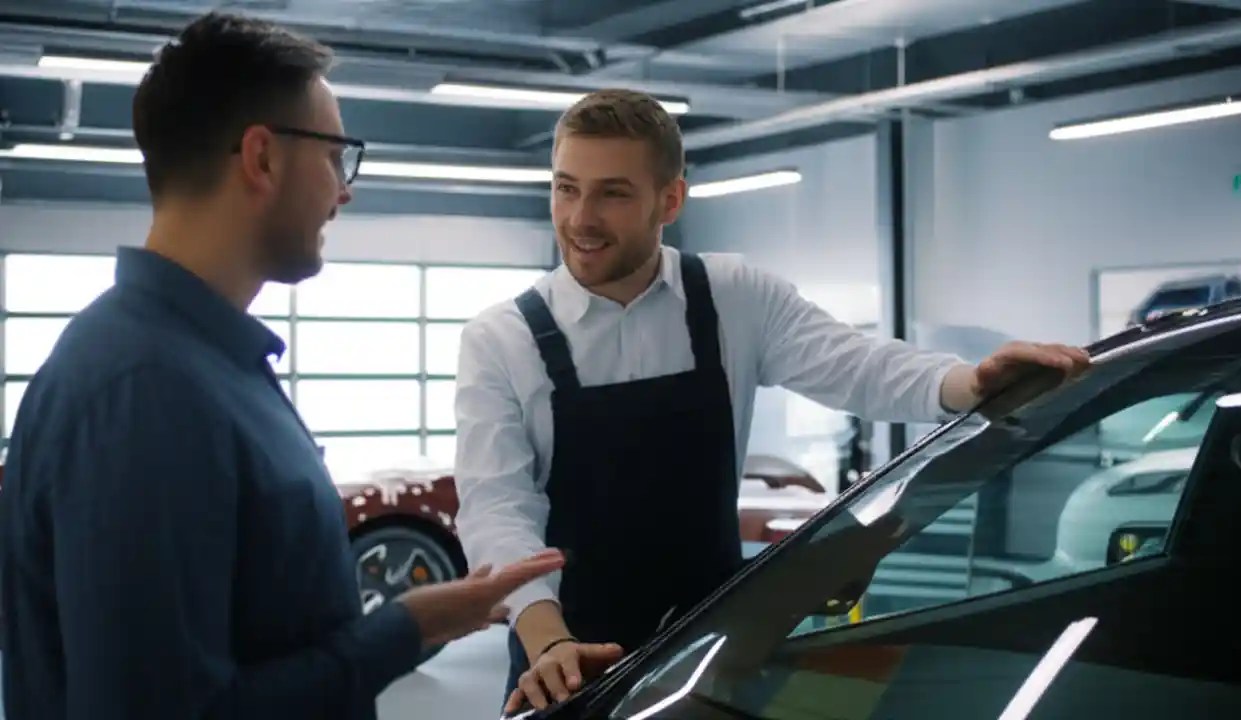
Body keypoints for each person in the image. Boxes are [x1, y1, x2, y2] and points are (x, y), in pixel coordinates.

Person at [449, 88, 1092, 715]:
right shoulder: (501, 340)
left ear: (670, 199)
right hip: (564, 669)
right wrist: (550, 641)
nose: (580, 218)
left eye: (612, 193)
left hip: (714, 664)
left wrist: (972, 384)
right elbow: (496, 509)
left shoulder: (733, 297)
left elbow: (854, 363)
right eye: (566, 188)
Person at [0, 12, 563, 720]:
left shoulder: (196, 365)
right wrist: (406, 627)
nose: (344, 188)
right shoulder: (146, 392)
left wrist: (415, 622)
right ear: (262, 158)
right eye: (335, 154)